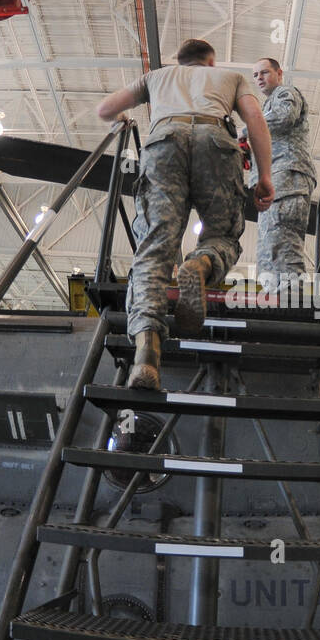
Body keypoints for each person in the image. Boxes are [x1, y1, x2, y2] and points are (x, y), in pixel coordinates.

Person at [96, 38, 274, 389]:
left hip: (164, 142)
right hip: (216, 141)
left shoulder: (156, 77)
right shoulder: (230, 78)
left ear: (180, 61)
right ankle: (200, 264)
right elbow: (255, 118)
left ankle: (146, 355)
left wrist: (122, 120)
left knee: (155, 248)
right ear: (211, 62)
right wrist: (264, 177)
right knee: (221, 235)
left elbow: (105, 109)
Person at [247, 58, 316, 292]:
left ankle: (290, 304)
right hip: (274, 179)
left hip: (288, 175)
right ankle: (273, 299)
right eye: (255, 75)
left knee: (283, 239)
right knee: (269, 244)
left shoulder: (285, 93)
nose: (259, 78)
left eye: (264, 72)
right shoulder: (266, 107)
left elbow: (285, 116)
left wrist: (245, 130)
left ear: (279, 73)